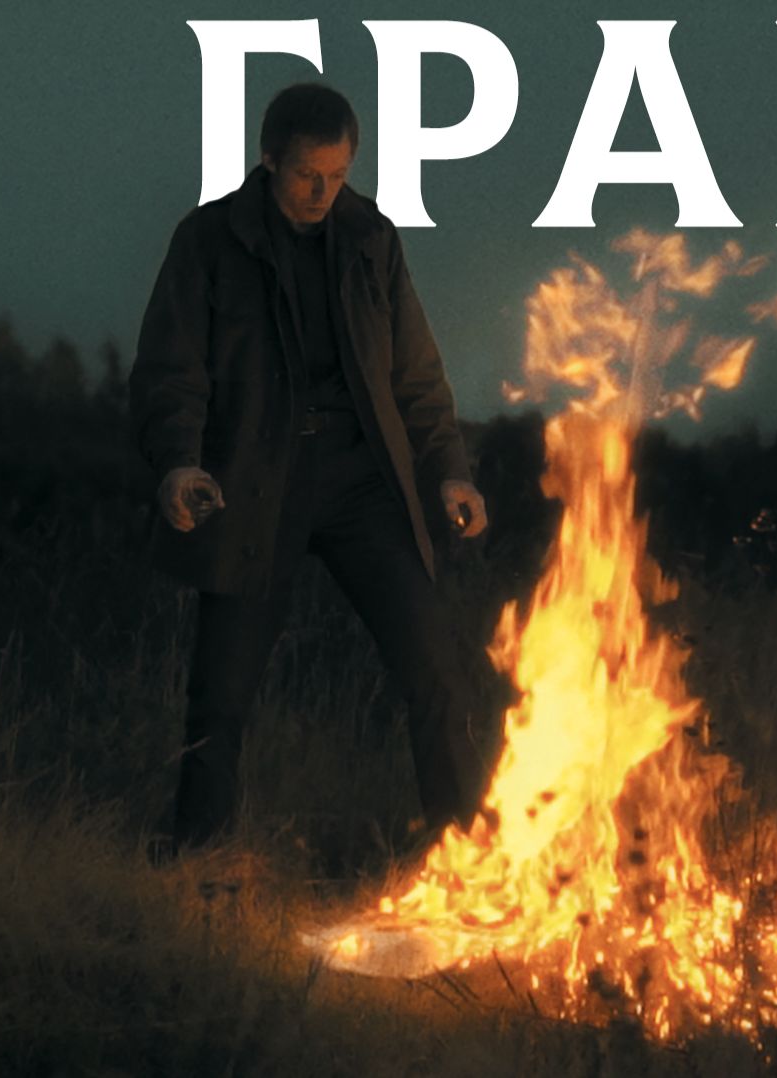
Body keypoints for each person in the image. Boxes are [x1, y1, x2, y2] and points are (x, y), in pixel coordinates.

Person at [127, 82, 491, 861]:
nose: (323, 192)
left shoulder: (370, 237)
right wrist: (179, 464)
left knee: (436, 672)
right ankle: (196, 870)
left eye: (338, 173)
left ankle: (465, 865)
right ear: (269, 160)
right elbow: (170, 372)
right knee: (220, 697)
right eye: (306, 175)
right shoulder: (209, 241)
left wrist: (450, 473)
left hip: (362, 480)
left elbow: (417, 376)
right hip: (256, 482)